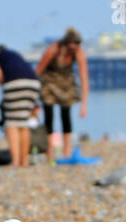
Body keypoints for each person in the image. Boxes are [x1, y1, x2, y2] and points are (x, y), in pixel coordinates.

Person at [36, 27, 90, 161]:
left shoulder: (78, 52)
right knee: (49, 117)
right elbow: (39, 70)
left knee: (66, 116)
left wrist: (84, 104)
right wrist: (32, 94)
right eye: (73, 45)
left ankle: (67, 153)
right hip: (49, 83)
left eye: (78, 45)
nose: (75, 48)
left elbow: (84, 77)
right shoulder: (53, 49)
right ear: (67, 43)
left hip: (66, 84)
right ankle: (49, 154)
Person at [0, 45, 41, 167]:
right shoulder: (14, 53)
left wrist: (4, 85)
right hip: (34, 82)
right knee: (23, 122)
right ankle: (24, 161)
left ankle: (15, 161)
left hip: (15, 82)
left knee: (12, 123)